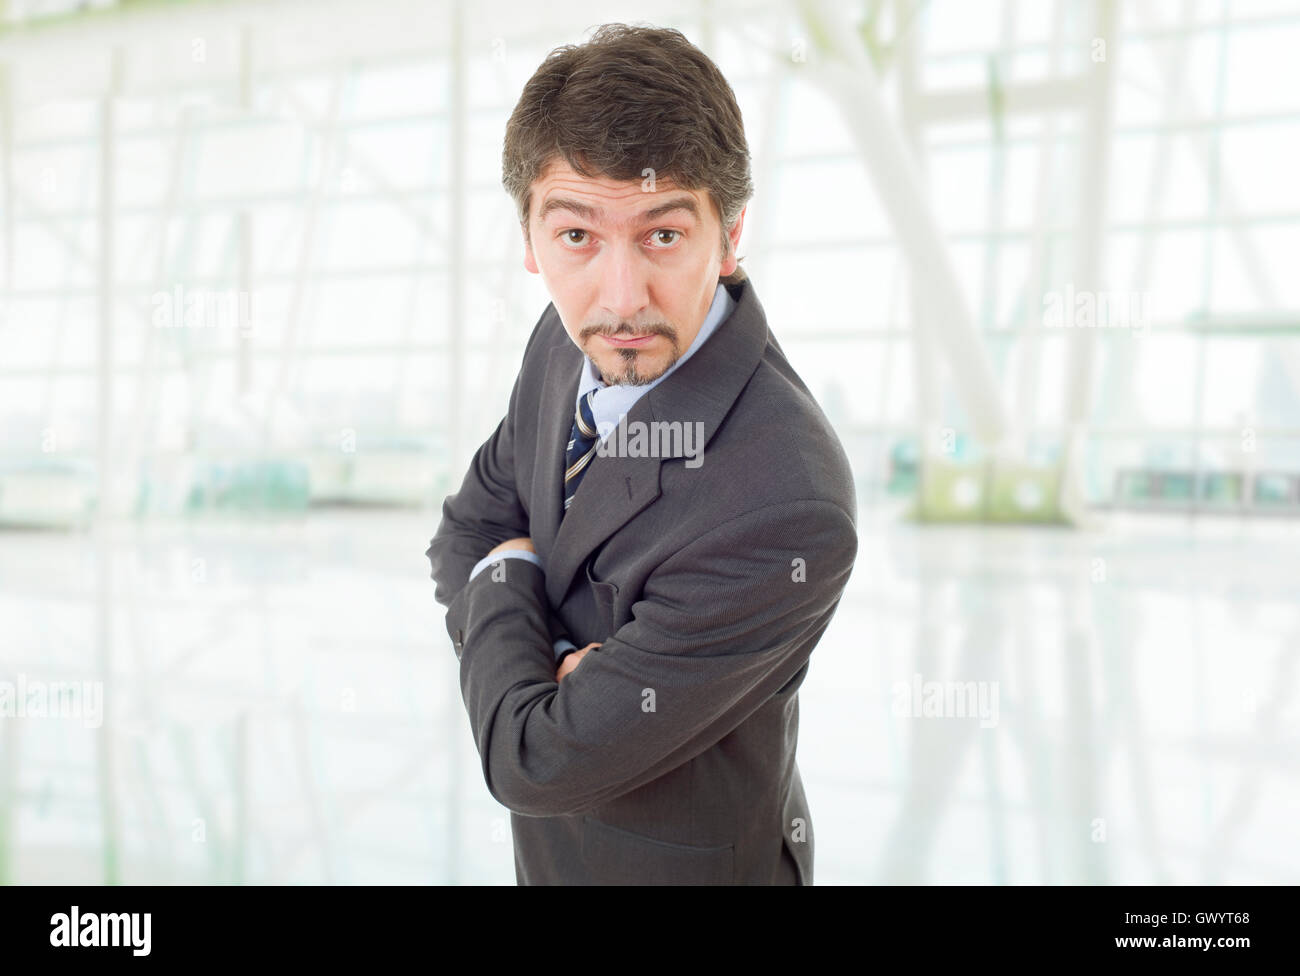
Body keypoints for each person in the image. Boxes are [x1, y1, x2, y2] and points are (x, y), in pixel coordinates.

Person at [425, 23, 858, 885]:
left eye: (662, 235)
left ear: (730, 237)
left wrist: (514, 621)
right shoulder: (562, 339)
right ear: (530, 240)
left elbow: (534, 761)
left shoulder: (786, 501)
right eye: (577, 236)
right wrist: (560, 676)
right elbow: (464, 535)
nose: (620, 298)